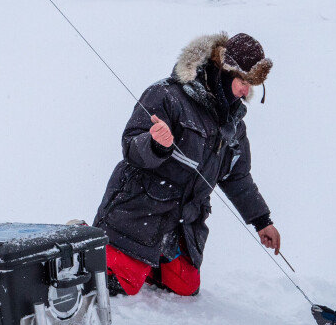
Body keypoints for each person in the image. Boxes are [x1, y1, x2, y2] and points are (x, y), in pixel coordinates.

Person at [93, 32, 281, 297]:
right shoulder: (167, 95)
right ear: (225, 72)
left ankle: (152, 258)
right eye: (242, 81)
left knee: (185, 286)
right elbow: (131, 147)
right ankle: (85, 239)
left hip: (181, 222)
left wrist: (262, 221)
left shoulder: (234, 125)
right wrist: (155, 144)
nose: (245, 91)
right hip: (140, 210)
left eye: (251, 86)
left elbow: (237, 176)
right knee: (121, 284)